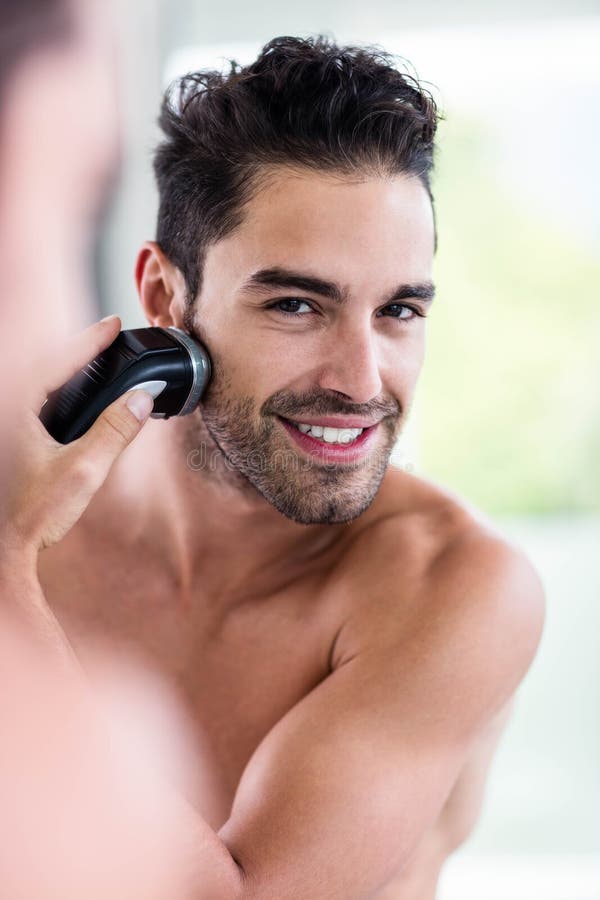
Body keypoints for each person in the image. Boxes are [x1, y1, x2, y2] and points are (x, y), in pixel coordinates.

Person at [5, 33, 545, 900]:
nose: (363, 382)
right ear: (162, 300)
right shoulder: (38, 528)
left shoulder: (451, 585)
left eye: (399, 310)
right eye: (296, 304)